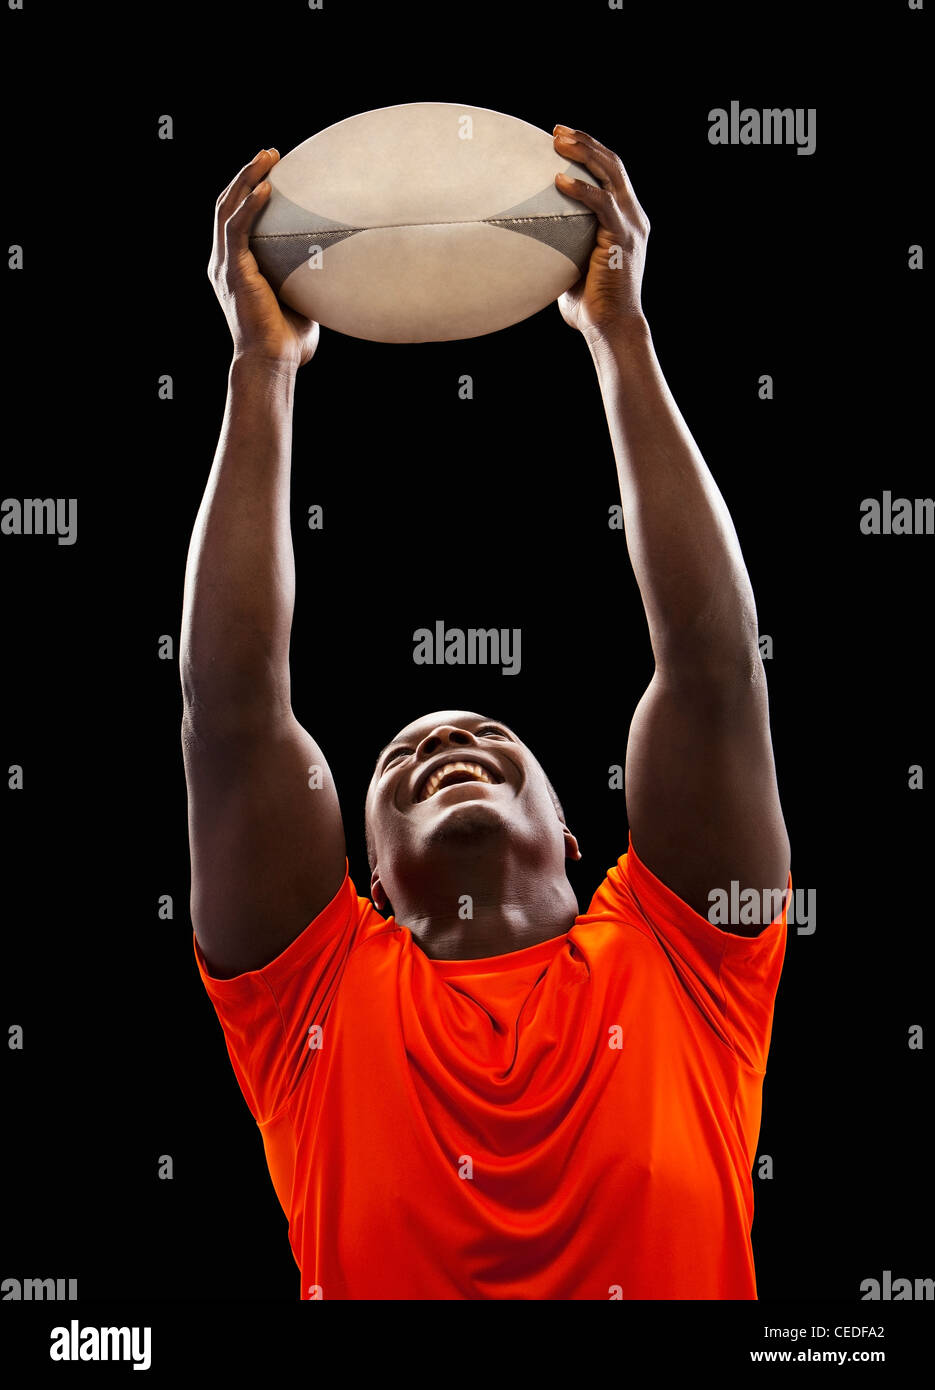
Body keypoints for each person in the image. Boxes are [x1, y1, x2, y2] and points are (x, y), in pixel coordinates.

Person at [181, 126, 791, 1300]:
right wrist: (258, 368)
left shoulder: (688, 963)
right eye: (405, 751)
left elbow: (715, 670)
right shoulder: (311, 1002)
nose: (449, 740)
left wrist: (623, 337)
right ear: (364, 876)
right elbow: (232, 715)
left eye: (486, 737)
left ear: (574, 836)